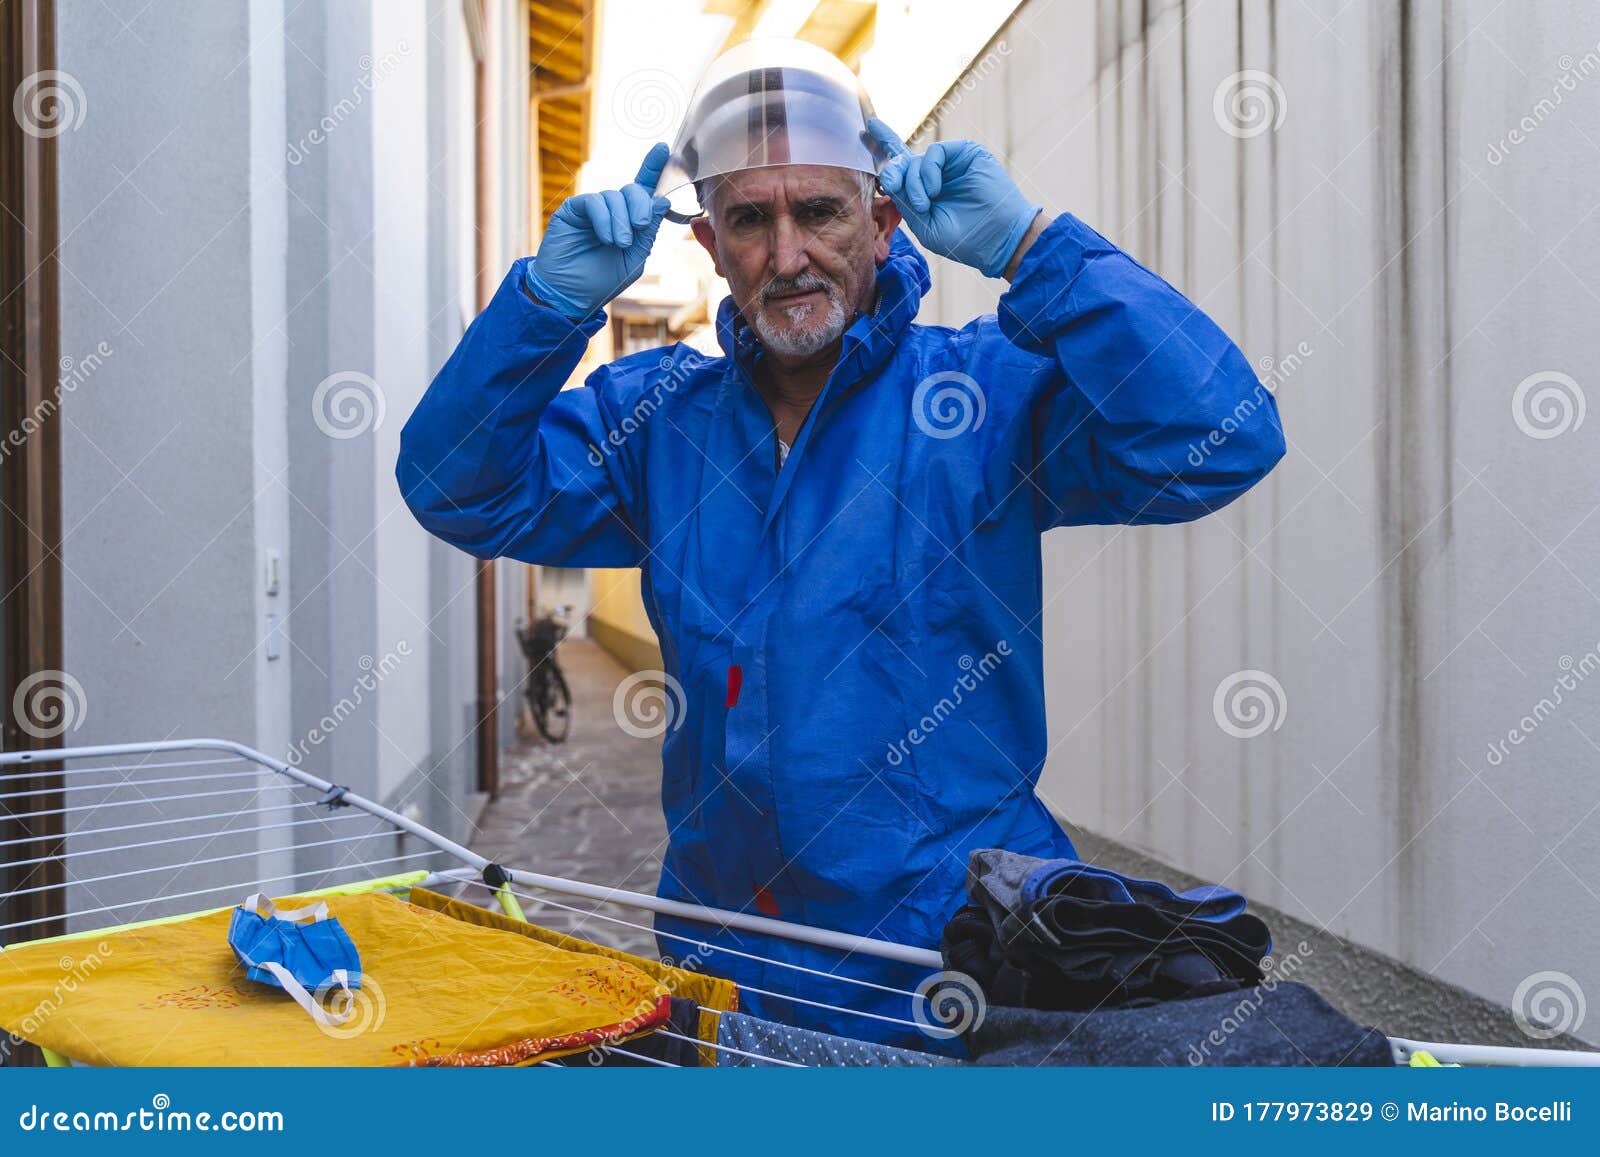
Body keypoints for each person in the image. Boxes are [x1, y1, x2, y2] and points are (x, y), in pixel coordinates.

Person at [397, 48, 1285, 1050]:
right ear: (710, 243)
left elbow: (1222, 437)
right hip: (723, 966)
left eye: (819, 212)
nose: (787, 256)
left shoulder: (980, 398)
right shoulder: (657, 422)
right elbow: (458, 489)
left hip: (946, 973)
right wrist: (546, 307)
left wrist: (1034, 248)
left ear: (882, 220)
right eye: (749, 220)